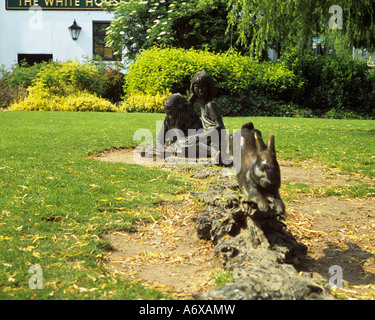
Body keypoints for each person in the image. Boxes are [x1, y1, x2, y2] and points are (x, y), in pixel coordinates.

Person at [188, 71, 232, 166]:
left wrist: (200, 137)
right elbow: (186, 108)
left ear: (209, 88)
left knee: (187, 146)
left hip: (216, 138)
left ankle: (216, 153)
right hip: (208, 138)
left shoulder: (210, 105)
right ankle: (213, 152)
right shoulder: (202, 104)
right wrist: (192, 97)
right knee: (184, 142)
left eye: (204, 87)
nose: (201, 91)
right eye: (197, 87)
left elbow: (220, 127)